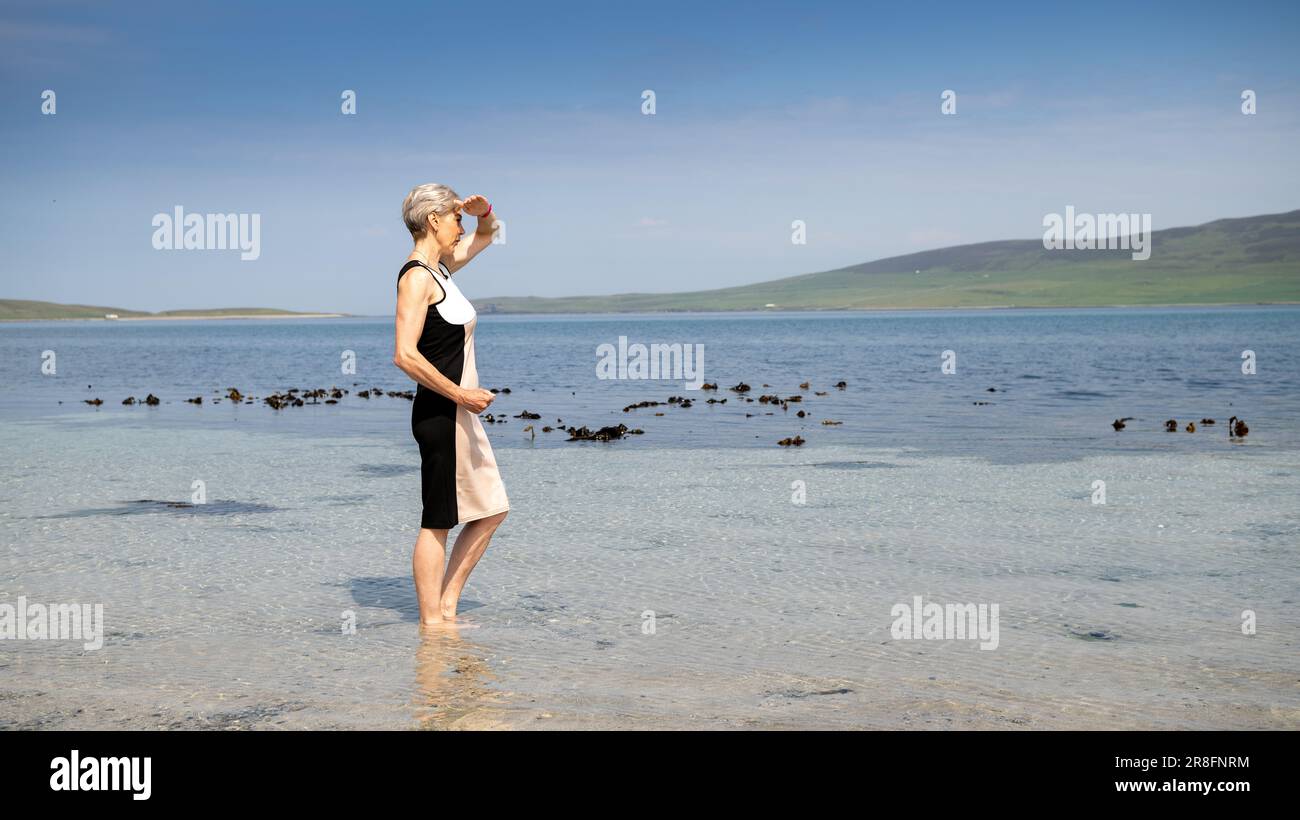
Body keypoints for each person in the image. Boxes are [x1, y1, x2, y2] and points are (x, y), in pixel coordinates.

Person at [393, 183, 509, 627]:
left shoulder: (440, 268)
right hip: (441, 413)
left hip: (459, 414)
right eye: (455, 218)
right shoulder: (417, 276)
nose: (461, 227)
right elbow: (404, 353)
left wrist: (484, 213)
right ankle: (432, 623)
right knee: (437, 520)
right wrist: (461, 395)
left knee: (492, 509)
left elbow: (486, 237)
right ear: (433, 220)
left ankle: (445, 608)